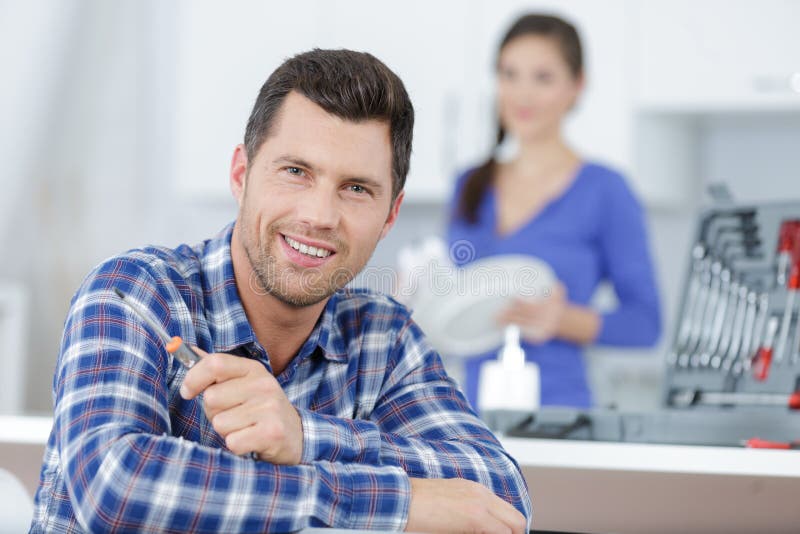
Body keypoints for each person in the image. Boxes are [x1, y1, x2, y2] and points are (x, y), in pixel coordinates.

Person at [30, 49, 530, 533]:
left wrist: (304, 435)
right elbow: (114, 486)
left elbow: (502, 497)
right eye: (296, 172)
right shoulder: (136, 293)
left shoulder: (384, 337)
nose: (318, 216)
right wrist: (396, 502)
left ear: (390, 216)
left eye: (356, 188)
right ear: (241, 175)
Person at [447, 14, 662, 409]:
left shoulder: (605, 190)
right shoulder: (469, 184)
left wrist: (562, 320)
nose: (521, 94)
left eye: (542, 78)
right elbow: (454, 309)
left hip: (560, 418)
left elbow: (646, 323)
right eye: (509, 74)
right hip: (468, 420)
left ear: (577, 86)